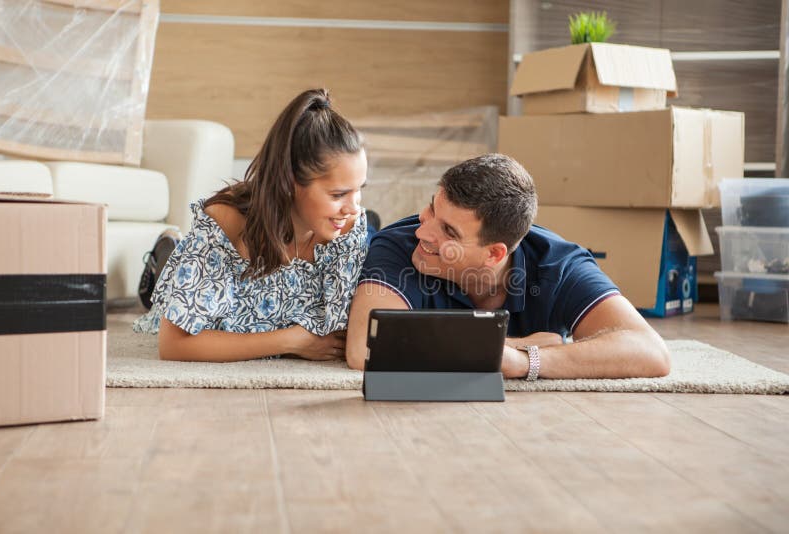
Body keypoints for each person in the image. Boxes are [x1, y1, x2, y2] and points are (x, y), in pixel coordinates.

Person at [346, 153, 670, 379]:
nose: (423, 231)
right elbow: (365, 349)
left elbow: (650, 352)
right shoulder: (402, 246)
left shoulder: (558, 264)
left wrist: (522, 361)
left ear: (494, 254)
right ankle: (368, 222)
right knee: (361, 236)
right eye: (432, 209)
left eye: (449, 231)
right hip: (364, 243)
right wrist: (504, 345)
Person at [133, 88, 369, 363]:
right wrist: (292, 341)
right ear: (290, 183)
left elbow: (344, 335)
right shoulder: (227, 223)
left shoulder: (350, 228)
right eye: (338, 194)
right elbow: (174, 346)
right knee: (164, 299)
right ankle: (167, 254)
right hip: (205, 292)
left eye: (359, 190)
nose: (353, 207)